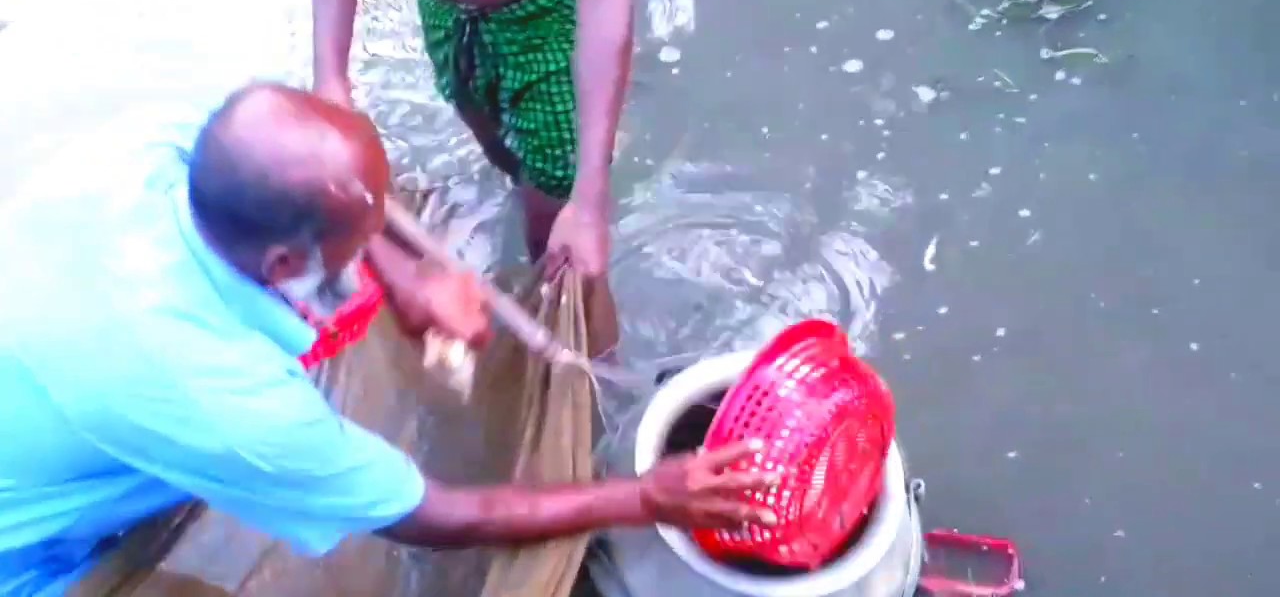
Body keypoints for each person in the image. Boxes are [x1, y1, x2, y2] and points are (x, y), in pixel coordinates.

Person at [0, 83, 775, 596]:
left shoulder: (158, 146)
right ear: (284, 264)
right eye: (361, 235)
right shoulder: (232, 406)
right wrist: (644, 497)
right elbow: (432, 516)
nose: (382, 238)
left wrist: (403, 276)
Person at [306, 0, 645, 278]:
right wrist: (330, 76)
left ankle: (558, 228)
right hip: (443, 10)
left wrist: (588, 203)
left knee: (557, 232)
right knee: (499, 149)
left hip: (549, 21)